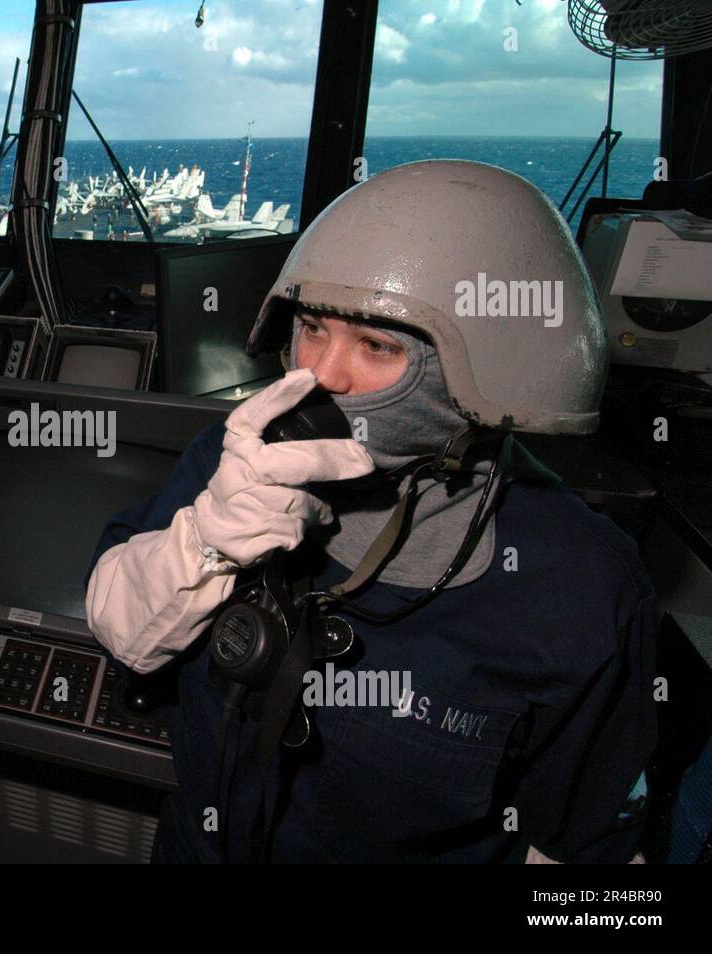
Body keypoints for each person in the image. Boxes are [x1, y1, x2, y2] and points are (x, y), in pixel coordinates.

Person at [85, 160, 657, 864]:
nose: (322, 375)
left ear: (487, 373)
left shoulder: (581, 585)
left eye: (377, 346)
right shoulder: (236, 463)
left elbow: (583, 857)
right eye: (313, 329)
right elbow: (124, 632)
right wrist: (207, 541)